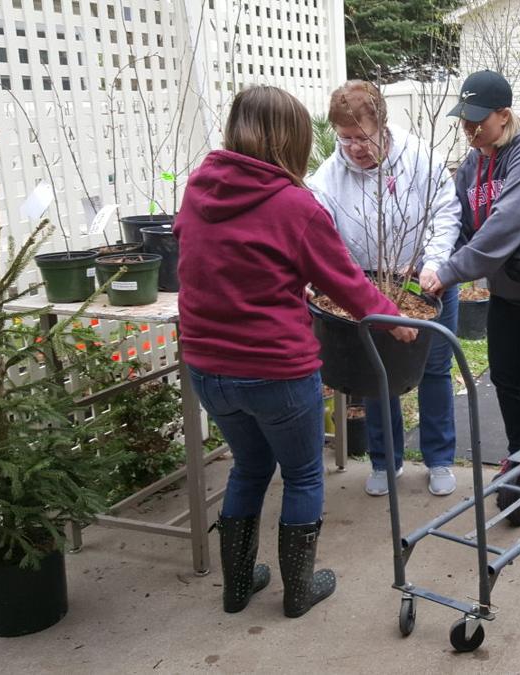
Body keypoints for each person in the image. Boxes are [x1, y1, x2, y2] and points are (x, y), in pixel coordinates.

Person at [174, 86, 417, 619]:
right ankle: (299, 591)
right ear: (292, 137)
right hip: (275, 370)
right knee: (304, 475)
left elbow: (203, 259)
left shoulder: (197, 189)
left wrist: (283, 282)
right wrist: (394, 321)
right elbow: (349, 284)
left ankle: (237, 587)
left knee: (248, 468)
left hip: (208, 369)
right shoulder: (292, 203)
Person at [306, 81, 463, 498]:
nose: (355, 148)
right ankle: (384, 460)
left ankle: (440, 459)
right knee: (376, 375)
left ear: (383, 125)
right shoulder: (326, 178)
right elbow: (316, 233)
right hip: (367, 287)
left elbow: (445, 211)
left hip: (421, 282)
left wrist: (434, 264)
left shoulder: (419, 159)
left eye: (363, 137)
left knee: (434, 370)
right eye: (346, 139)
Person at [420, 70, 520, 456]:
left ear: (504, 115)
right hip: (508, 291)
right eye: (464, 119)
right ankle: (518, 456)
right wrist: (430, 261)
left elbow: (506, 224)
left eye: (477, 120)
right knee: (506, 379)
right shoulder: (470, 167)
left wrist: (449, 272)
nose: (468, 128)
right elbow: (458, 224)